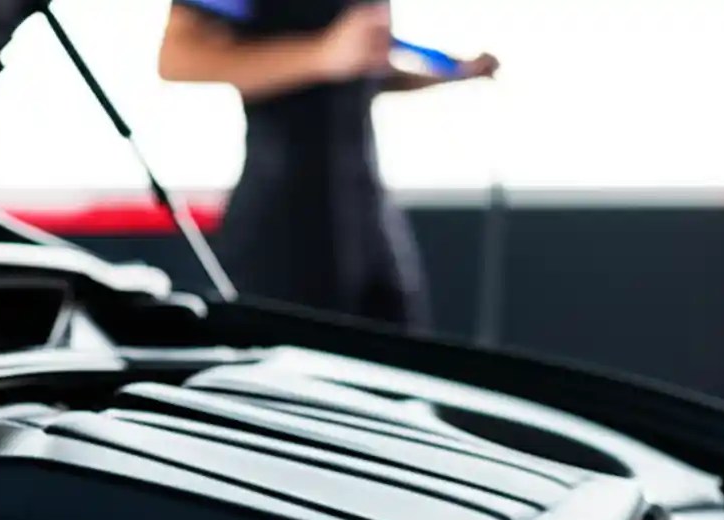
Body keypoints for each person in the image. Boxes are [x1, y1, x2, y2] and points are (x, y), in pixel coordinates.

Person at [158, 0, 499, 332]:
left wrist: (451, 74)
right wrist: (322, 54)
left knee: (401, 362)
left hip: (367, 214)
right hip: (283, 223)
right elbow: (177, 57)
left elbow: (357, 72)